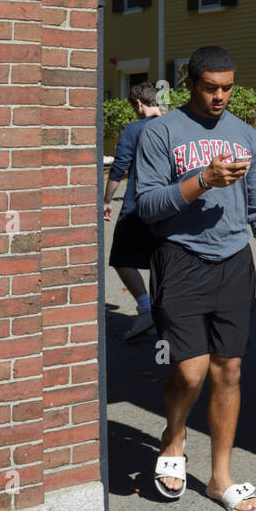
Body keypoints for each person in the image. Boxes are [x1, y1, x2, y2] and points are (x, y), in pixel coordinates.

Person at [132, 45, 256, 511]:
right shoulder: (161, 132)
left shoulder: (246, 136)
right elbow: (148, 206)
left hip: (233, 263)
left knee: (230, 370)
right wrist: (203, 178)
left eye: (227, 88)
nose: (219, 96)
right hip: (179, 258)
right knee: (190, 369)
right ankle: (173, 438)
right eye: (209, 88)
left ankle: (220, 475)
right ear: (191, 83)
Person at [104, 82, 165, 342]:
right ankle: (165, 316)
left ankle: (145, 309)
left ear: (139, 103)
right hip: (171, 204)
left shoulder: (133, 129)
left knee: (121, 258)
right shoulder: (173, 125)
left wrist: (106, 200)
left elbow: (119, 168)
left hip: (138, 205)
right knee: (162, 260)